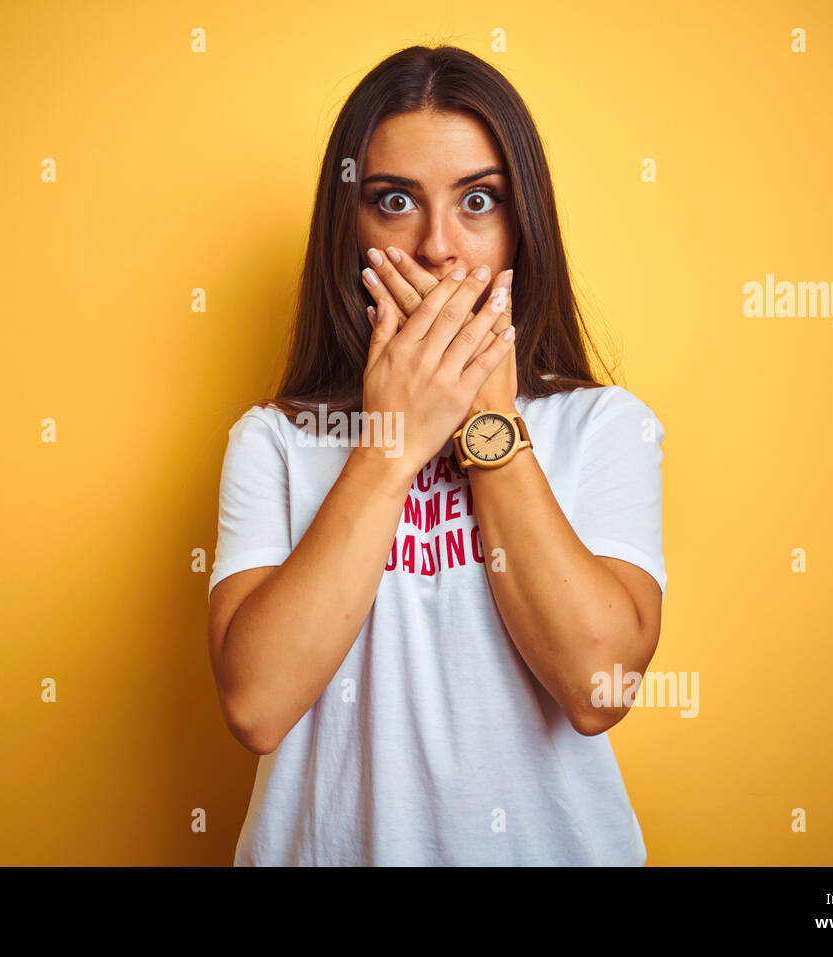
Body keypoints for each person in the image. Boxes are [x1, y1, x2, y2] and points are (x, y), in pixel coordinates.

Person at [206, 45, 667, 866]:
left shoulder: (604, 427)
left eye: (478, 200)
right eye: (394, 201)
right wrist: (394, 443)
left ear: (523, 227)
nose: (438, 248)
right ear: (349, 232)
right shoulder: (273, 441)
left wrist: (487, 424)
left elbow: (599, 688)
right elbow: (257, 705)